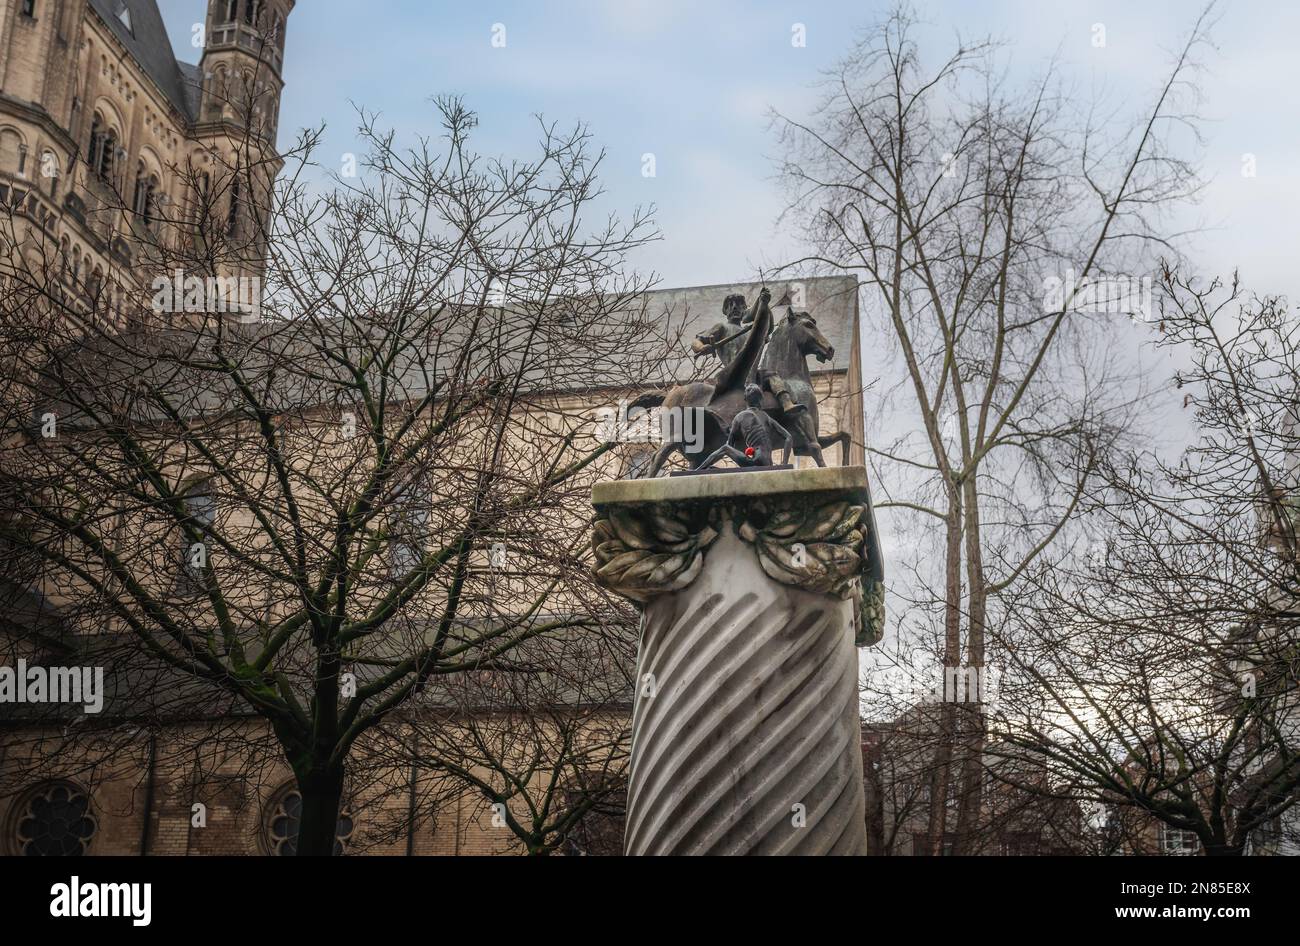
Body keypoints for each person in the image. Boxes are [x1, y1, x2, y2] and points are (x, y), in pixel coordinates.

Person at [697, 384, 793, 470]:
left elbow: (729, 445)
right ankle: (709, 469)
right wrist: (784, 464)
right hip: (768, 463)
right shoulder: (766, 417)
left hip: (756, 461)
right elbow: (789, 437)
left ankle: (698, 470)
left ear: (745, 399)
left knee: (725, 448)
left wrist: (716, 417)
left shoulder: (740, 416)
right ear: (760, 399)